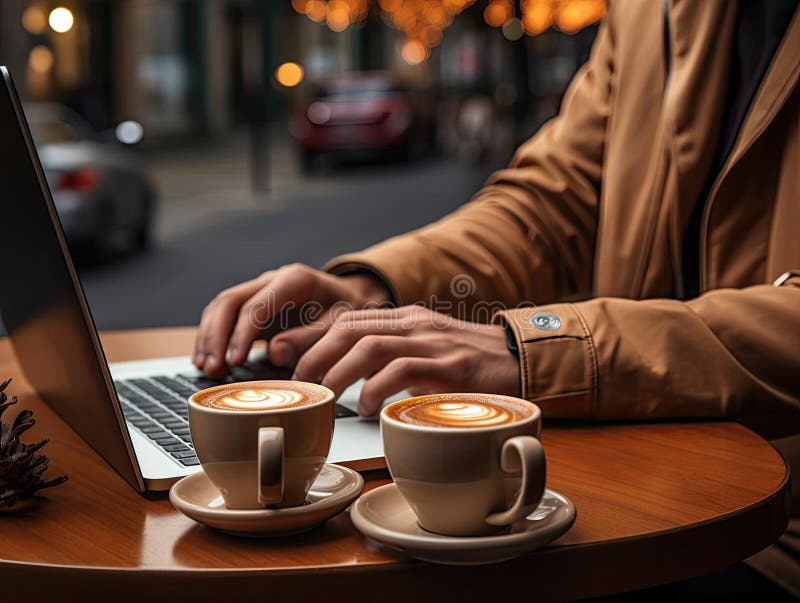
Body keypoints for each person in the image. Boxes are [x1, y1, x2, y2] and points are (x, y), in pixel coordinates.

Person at [194, 0, 800, 596]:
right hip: (646, 483)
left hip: (775, 543)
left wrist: (537, 348)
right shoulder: (649, 9)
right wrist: (376, 288)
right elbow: (553, 199)